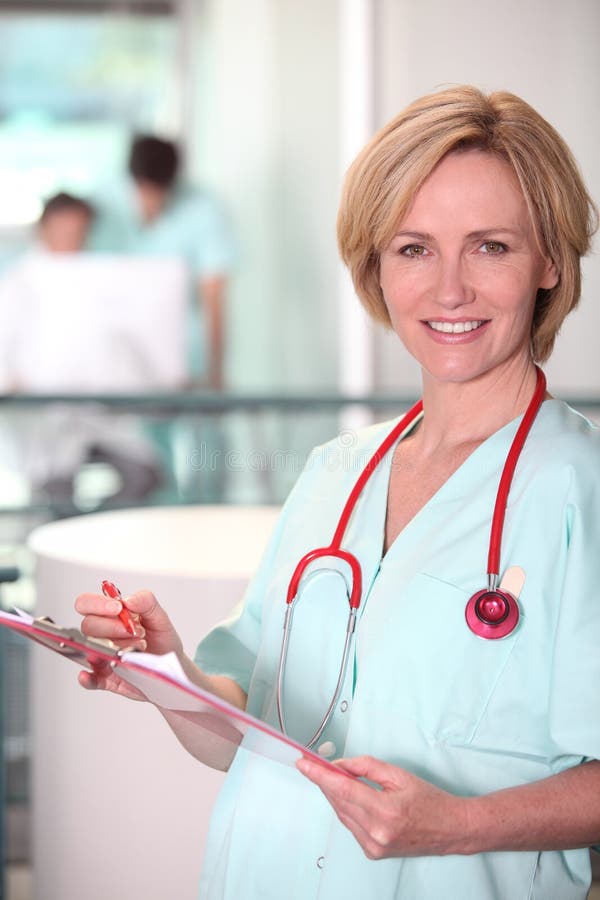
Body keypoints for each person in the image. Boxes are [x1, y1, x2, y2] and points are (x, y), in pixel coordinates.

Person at [75, 86, 600, 899]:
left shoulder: (580, 488)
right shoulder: (335, 472)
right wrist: (165, 668)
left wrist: (461, 826)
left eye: (491, 246)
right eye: (414, 248)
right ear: (376, 265)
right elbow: (246, 730)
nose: (449, 289)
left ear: (551, 261)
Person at [0, 191, 162, 513]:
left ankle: (93, 535)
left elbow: (130, 337)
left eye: (79, 232)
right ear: (43, 229)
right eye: (63, 230)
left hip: (102, 414)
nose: (71, 240)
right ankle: (67, 542)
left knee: (144, 474)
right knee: (56, 491)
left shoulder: (102, 280)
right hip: (46, 417)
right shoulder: (20, 282)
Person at [89, 134, 235, 389]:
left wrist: (216, 372)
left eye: (159, 192)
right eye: (143, 190)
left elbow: (214, 294)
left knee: (190, 419)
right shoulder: (102, 202)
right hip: (114, 350)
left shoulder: (202, 207)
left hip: (183, 353)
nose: (151, 202)